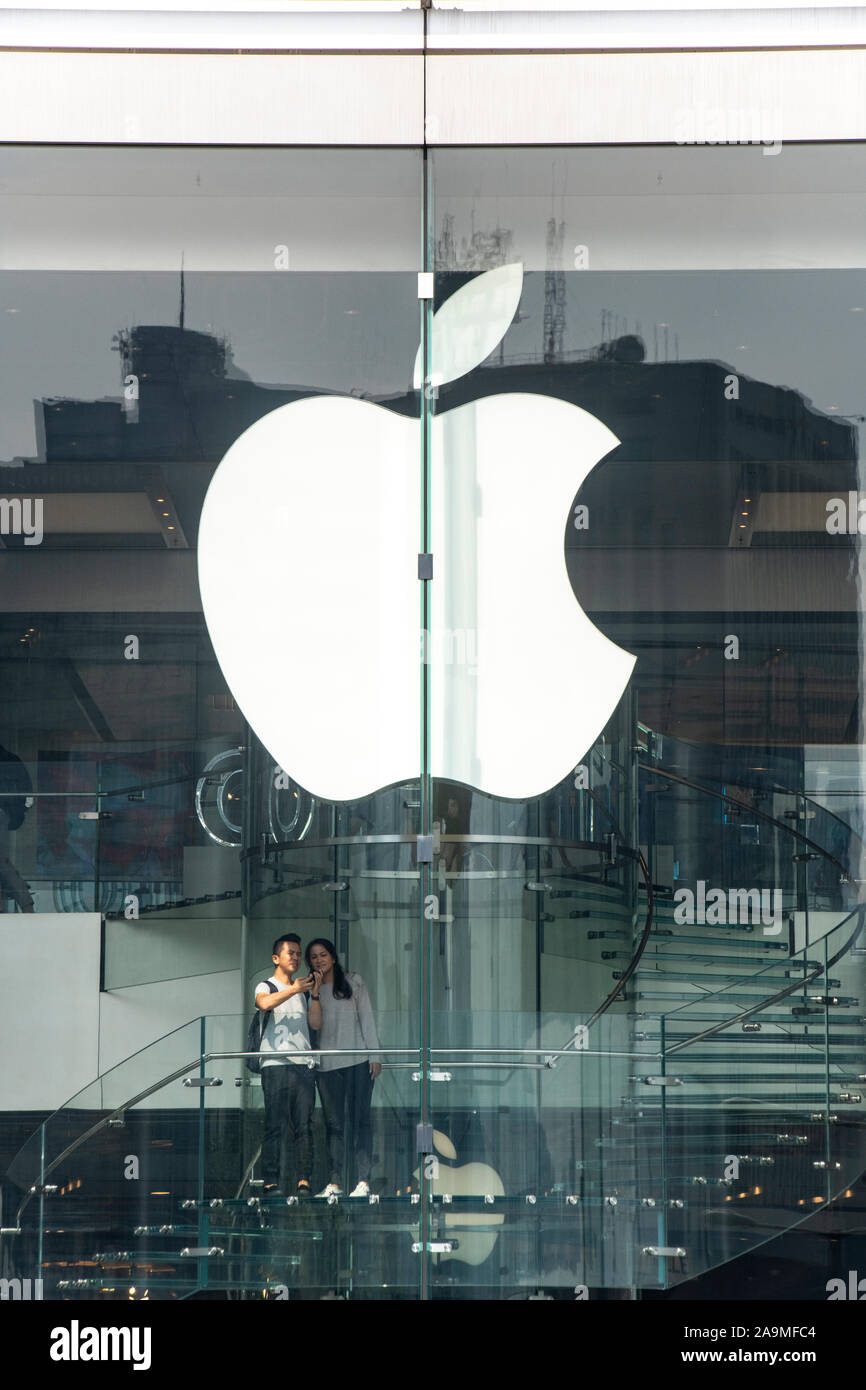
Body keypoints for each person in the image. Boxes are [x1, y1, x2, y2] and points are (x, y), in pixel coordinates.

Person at [305, 937, 381, 1198]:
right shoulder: (308, 989)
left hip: (358, 1061)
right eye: (314, 957)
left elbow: (367, 1019)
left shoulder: (353, 981)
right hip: (326, 1065)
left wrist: (375, 1054)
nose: (319, 960)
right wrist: (313, 992)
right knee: (333, 1125)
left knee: (361, 1121)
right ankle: (335, 1181)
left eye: (323, 955)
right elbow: (314, 1026)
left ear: (333, 957)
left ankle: (363, 1180)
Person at [254, 933, 321, 1196]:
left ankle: (304, 1179)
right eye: (289, 952)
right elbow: (263, 1003)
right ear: (276, 958)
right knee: (274, 1125)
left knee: (304, 1125)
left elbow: (315, 1024)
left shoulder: (303, 991)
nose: (295, 957)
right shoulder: (266, 985)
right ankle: (271, 1181)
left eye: (297, 953)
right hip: (275, 1062)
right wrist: (294, 989)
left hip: (303, 1065)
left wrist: (313, 995)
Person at [0, 744, 34, 913]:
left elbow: (28, 796)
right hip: (5, 814)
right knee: (2, 864)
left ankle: (26, 905)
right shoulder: (12, 760)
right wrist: (18, 813)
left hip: (3, 814)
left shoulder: (11, 760)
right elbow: (28, 796)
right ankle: (27, 906)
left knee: (2, 864)